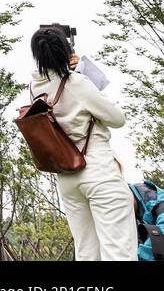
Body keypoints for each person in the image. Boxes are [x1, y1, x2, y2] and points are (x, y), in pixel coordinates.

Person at [29, 26, 137, 261]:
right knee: (119, 250)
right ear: (66, 51)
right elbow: (118, 119)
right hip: (98, 172)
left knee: (87, 252)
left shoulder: (34, 87)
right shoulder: (78, 82)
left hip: (67, 176)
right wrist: (82, 76)